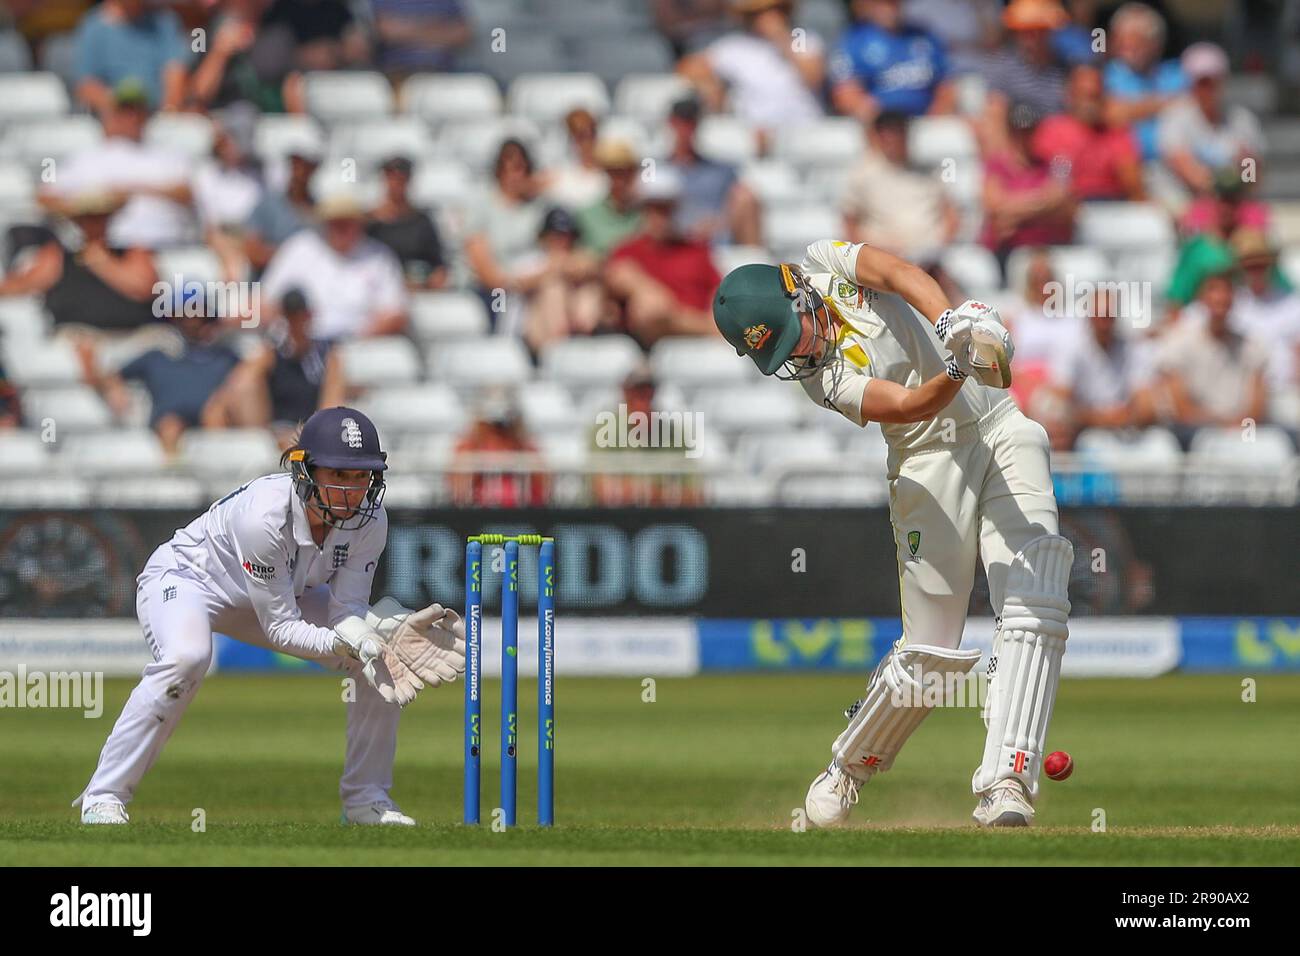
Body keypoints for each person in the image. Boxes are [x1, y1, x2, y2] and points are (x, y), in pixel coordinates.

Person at [711, 238, 1073, 828]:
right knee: (929, 656)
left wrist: (951, 324)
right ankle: (847, 769)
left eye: (792, 331)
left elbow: (902, 274)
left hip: (1001, 425)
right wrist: (957, 366)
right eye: (781, 350)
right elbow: (907, 406)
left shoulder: (824, 259)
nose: (798, 350)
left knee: (1037, 599)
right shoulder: (821, 379)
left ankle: (1008, 780)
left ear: (795, 290)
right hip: (927, 463)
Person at [74, 407, 467, 825]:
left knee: (380, 656)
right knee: (186, 658)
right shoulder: (263, 517)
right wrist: (345, 639)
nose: (350, 492)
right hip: (188, 581)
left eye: (360, 477)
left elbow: (346, 610)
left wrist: (370, 635)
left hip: (273, 596)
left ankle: (366, 800)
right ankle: (103, 796)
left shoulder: (371, 522)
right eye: (338, 474)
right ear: (305, 470)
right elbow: (279, 628)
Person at [38, 80, 196, 250]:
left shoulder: (168, 155)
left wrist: (131, 189)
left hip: (164, 245)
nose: (130, 118)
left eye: (136, 112)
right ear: (110, 114)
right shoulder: (86, 158)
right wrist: (93, 204)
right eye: (124, 112)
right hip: (106, 249)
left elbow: (187, 193)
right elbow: (45, 198)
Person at [83, 307, 242, 458]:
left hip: (214, 421)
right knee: (170, 426)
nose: (191, 319)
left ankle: (218, 468)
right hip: (170, 423)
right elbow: (109, 376)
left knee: (216, 418)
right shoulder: (158, 356)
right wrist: (112, 385)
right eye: (184, 314)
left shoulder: (226, 356)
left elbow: (246, 381)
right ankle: (174, 475)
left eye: (198, 313)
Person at [204, 288, 346, 448]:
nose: (295, 322)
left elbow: (331, 403)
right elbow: (237, 385)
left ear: (309, 315)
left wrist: (307, 434)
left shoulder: (326, 355)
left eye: (300, 316)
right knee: (240, 389)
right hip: (274, 432)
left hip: (310, 432)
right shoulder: (271, 353)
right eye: (290, 316)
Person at [260, 193, 408, 340]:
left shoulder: (379, 257)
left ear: (359, 224)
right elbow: (266, 301)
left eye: (347, 222)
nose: (340, 228)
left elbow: (395, 313)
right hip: (299, 346)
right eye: (335, 222)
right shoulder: (299, 248)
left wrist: (356, 340)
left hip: (357, 345)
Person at [605, 171, 722, 346]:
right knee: (648, 306)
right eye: (652, 209)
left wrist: (671, 315)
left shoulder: (697, 250)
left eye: (665, 209)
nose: (659, 217)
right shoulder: (627, 251)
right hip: (653, 347)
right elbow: (615, 279)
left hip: (698, 345)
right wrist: (702, 325)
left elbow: (720, 295)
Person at [677, 0, 825, 137]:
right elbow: (689, 66)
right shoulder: (735, 46)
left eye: (772, 10)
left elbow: (814, 77)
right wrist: (711, 86)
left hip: (805, 130)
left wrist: (781, 38)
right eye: (758, 13)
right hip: (756, 134)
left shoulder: (803, 38)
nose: (766, 17)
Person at [1157, 269, 1270, 446]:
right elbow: (1180, 408)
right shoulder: (1178, 343)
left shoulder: (1252, 346)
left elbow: (1257, 407)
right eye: (1213, 290)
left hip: (1240, 433)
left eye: (1227, 290)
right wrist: (1221, 426)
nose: (1221, 297)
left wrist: (1234, 428)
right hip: (1192, 435)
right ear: (1201, 298)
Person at [1039, 287, 1157, 449]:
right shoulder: (1071, 348)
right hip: (1085, 431)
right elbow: (1061, 400)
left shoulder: (1132, 349)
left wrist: (1120, 416)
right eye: (1099, 314)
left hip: (1126, 429)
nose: (1103, 321)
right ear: (1089, 315)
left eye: (1108, 314)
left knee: (1161, 444)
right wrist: (1100, 418)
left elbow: (1145, 404)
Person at [840, 111, 959, 262]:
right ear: (878, 136)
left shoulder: (930, 173)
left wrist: (937, 246)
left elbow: (951, 215)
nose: (894, 138)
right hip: (883, 260)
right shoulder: (862, 175)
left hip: (929, 258)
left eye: (899, 131)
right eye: (889, 132)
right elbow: (849, 222)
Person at [1157, 43, 1264, 202]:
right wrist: (1228, 183)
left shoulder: (1242, 120)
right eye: (1202, 82)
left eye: (1213, 82)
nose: (1208, 89)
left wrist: (1245, 167)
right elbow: (1187, 171)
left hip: (1231, 205)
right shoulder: (1174, 118)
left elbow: (1253, 177)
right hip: (1186, 202)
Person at [980, 103, 1076, 274]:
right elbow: (994, 207)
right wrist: (1042, 203)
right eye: (1018, 131)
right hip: (1006, 251)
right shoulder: (997, 165)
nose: (1023, 137)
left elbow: (1063, 205)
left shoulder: (1050, 164)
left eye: (1028, 130)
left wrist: (1014, 213)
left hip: (1045, 249)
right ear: (1010, 132)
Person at [830, 0, 956, 122]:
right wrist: (886, 123)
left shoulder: (924, 36)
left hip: (926, 123)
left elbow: (946, 86)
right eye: (882, 2)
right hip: (881, 127)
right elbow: (846, 95)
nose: (888, 8)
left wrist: (933, 120)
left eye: (893, 2)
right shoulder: (855, 40)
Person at [1032, 64, 1144, 201]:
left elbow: (1133, 184)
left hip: (1110, 205)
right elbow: (1041, 177)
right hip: (1065, 205)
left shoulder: (1116, 132)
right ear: (1070, 95)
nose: (1089, 104)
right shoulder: (1051, 130)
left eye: (1094, 96)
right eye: (1083, 95)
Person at [662, 96, 762, 246]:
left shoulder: (721, 171)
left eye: (691, 122)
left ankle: (754, 262)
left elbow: (740, 206)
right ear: (671, 123)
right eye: (681, 122)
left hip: (714, 241)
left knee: (746, 197)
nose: (686, 128)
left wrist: (717, 224)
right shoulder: (658, 170)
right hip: (673, 241)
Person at [1101, 2, 1186, 165]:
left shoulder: (1176, 73)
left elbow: (1193, 105)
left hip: (1175, 162)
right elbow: (1111, 114)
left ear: (1157, 44)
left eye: (1138, 40)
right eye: (1123, 39)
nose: (1129, 46)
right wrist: (1164, 103)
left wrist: (1133, 109)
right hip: (1128, 167)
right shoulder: (1108, 75)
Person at [72, 0, 191, 113]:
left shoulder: (164, 22)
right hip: (113, 121)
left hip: (157, 118)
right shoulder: (93, 27)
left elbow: (175, 74)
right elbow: (86, 86)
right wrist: (123, 111)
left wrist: (168, 113)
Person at [366, 156, 448, 290]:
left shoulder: (422, 222)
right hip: (379, 291)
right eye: (392, 177)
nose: (397, 183)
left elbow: (439, 265)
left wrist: (431, 281)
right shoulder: (370, 223)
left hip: (419, 291)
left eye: (401, 178)